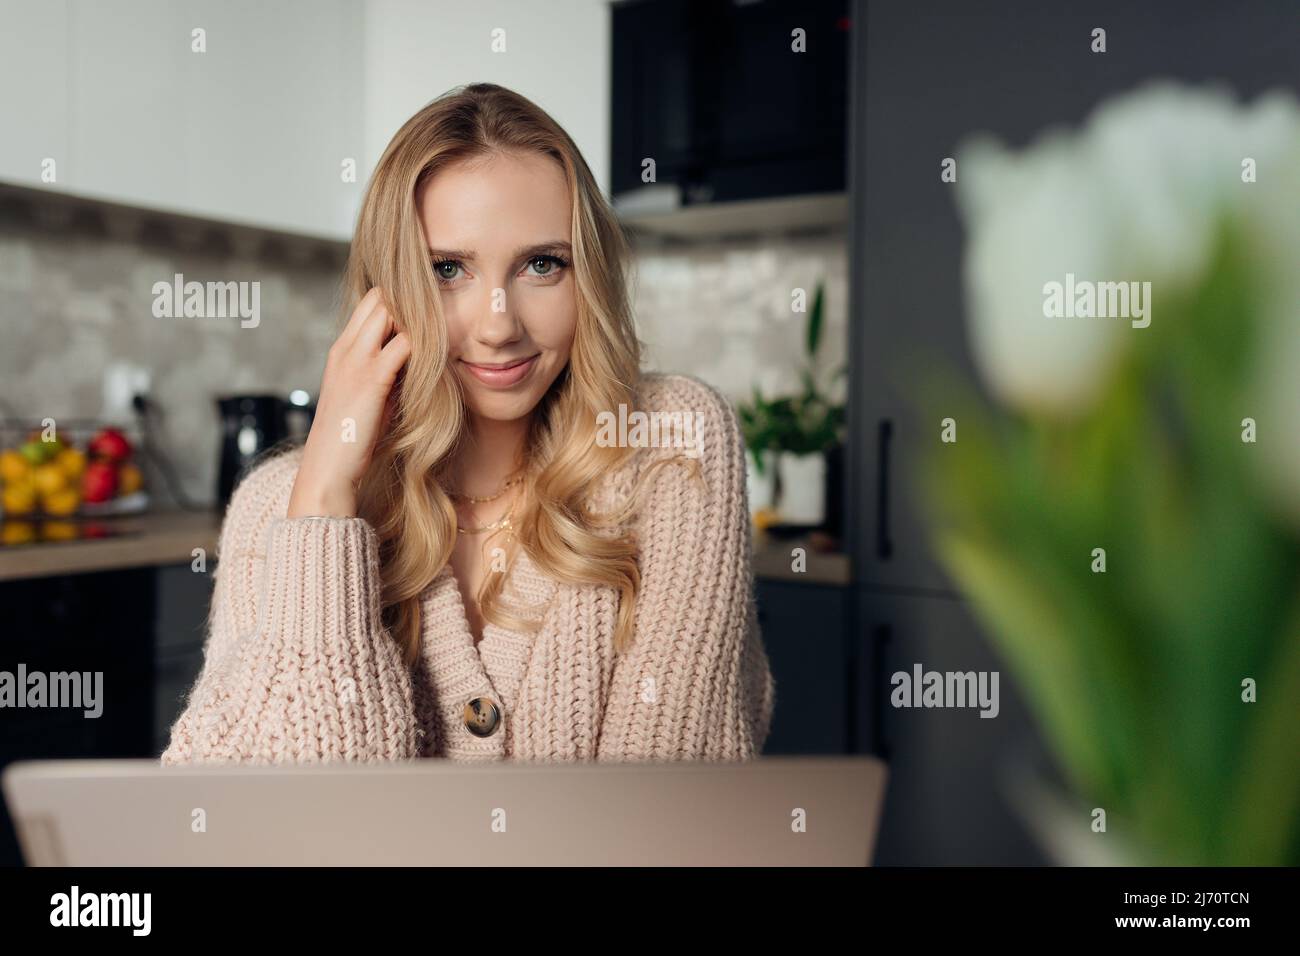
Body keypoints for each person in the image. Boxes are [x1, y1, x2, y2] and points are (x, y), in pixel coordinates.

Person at [162, 83, 775, 765]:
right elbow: (280, 823)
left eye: (543, 265)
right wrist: (325, 502)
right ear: (384, 292)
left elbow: (675, 808)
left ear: (589, 278)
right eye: (447, 270)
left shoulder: (670, 443)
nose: (498, 324)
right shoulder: (278, 507)